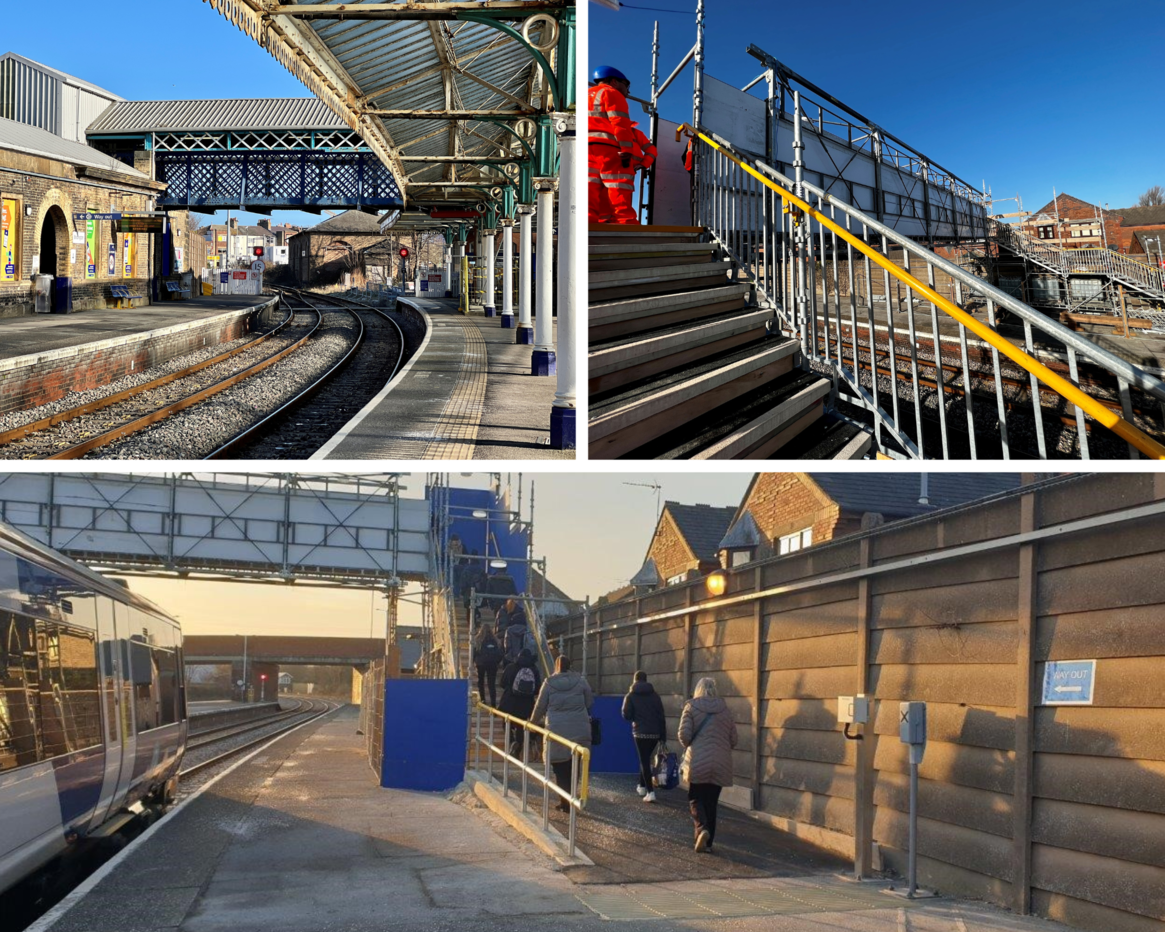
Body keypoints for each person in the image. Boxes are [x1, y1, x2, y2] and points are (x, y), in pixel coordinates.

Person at [678, 676, 738, 853]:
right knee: (711, 803)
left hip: (698, 761)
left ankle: (701, 828)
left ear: (698, 690)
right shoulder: (725, 710)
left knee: (695, 798)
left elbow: (684, 735)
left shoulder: (691, 706)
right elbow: (734, 739)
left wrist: (691, 745)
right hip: (721, 763)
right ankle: (708, 843)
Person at [531, 655, 593, 812]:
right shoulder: (581, 681)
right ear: (570, 666)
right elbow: (590, 701)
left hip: (557, 730)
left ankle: (564, 801)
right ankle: (572, 798)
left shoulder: (549, 683)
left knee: (560, 767)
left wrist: (532, 723)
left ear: (556, 666)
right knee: (575, 765)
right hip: (580, 728)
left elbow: (540, 706)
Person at [588, 66, 641, 225]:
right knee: (619, 187)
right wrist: (626, 150)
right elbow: (620, 124)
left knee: (590, 189)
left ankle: (590, 226)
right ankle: (626, 225)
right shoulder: (612, 93)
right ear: (614, 81)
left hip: (586, 149)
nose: (627, 91)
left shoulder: (585, 95)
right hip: (608, 148)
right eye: (626, 85)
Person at [621, 670, 667, 802]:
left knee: (644, 761)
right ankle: (641, 786)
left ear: (634, 680)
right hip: (655, 733)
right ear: (646, 680)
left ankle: (650, 792)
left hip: (640, 733)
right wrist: (663, 737)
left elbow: (626, 715)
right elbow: (661, 717)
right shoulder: (655, 696)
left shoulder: (630, 695)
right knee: (646, 759)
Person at [499, 647, 542, 758]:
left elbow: (502, 683)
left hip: (510, 702)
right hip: (526, 704)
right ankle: (517, 752)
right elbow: (538, 688)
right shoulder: (534, 669)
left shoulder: (511, 667)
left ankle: (512, 742)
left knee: (506, 723)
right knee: (520, 727)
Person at [473, 623, 503, 707]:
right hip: (492, 664)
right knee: (491, 684)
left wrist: (474, 662)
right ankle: (493, 703)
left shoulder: (478, 639)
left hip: (481, 664)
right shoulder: (495, 640)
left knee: (481, 682)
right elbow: (500, 653)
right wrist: (497, 662)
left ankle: (483, 700)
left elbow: (474, 652)